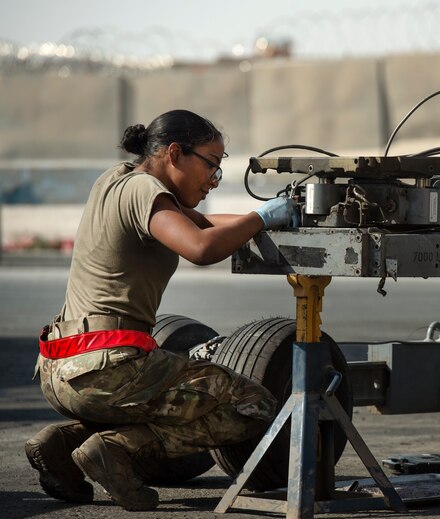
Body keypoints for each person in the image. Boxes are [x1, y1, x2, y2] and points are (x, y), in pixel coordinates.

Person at [25, 109, 296, 511]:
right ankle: (116, 450)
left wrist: (268, 218)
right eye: (211, 165)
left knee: (162, 398)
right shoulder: (145, 192)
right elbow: (202, 248)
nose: (213, 180)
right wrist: (259, 217)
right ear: (174, 153)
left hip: (61, 367)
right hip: (108, 369)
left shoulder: (117, 179)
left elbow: (203, 224)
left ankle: (63, 443)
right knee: (253, 406)